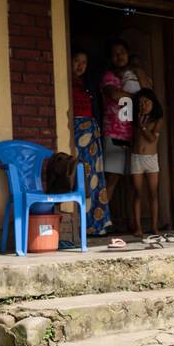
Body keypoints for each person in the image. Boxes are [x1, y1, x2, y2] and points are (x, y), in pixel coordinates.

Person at [100, 39, 152, 233]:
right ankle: (101, 223)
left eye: (122, 51)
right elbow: (115, 95)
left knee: (134, 182)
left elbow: (149, 93)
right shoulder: (108, 76)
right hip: (114, 133)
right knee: (112, 179)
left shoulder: (134, 75)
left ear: (128, 54)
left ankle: (134, 223)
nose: (119, 55)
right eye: (115, 53)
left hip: (135, 135)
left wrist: (139, 73)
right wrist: (139, 98)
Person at [70, 49, 111, 236]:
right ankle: (77, 226)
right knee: (78, 177)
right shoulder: (66, 83)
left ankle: (95, 225)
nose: (80, 66)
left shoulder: (89, 85)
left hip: (91, 135)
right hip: (74, 135)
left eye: (84, 62)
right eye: (76, 61)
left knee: (93, 179)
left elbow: (97, 110)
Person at [129, 87, 165, 237]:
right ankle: (138, 228)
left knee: (153, 194)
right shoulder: (134, 119)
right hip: (136, 158)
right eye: (141, 102)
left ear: (153, 104)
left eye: (146, 102)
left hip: (151, 159)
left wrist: (142, 126)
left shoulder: (157, 120)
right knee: (137, 193)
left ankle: (154, 227)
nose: (143, 105)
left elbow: (152, 139)